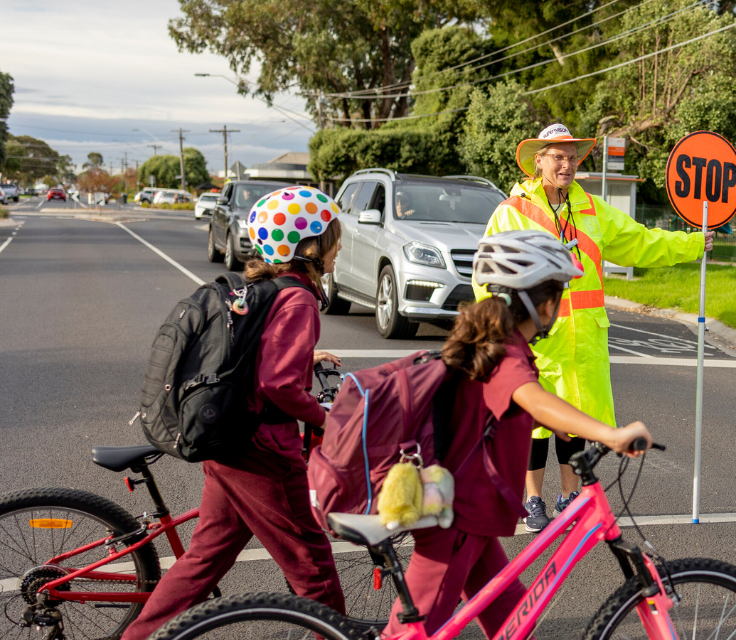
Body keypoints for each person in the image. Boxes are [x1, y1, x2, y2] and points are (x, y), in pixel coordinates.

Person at [384, 229, 654, 637]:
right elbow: (533, 398)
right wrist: (610, 434)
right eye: (559, 296)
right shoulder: (506, 354)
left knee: (513, 621)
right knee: (411, 633)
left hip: (473, 517)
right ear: (543, 305)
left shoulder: (498, 344)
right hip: (457, 522)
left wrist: (553, 424)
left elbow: (504, 408)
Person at [121, 186, 346, 640]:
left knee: (204, 560)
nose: (338, 248)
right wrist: (331, 421)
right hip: (263, 454)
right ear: (308, 248)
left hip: (228, 441)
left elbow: (252, 355)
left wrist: (305, 356)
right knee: (315, 571)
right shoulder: (300, 299)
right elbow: (277, 385)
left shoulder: (261, 287)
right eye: (332, 239)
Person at [474, 123, 711, 533]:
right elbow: (485, 274)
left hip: (584, 340)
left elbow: (641, 242)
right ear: (539, 161)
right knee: (533, 424)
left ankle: (569, 497)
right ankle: (533, 499)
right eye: (557, 157)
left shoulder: (591, 209)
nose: (566, 165)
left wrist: (691, 244)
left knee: (574, 422)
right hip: (536, 339)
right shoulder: (511, 211)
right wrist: (500, 328)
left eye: (572, 158)